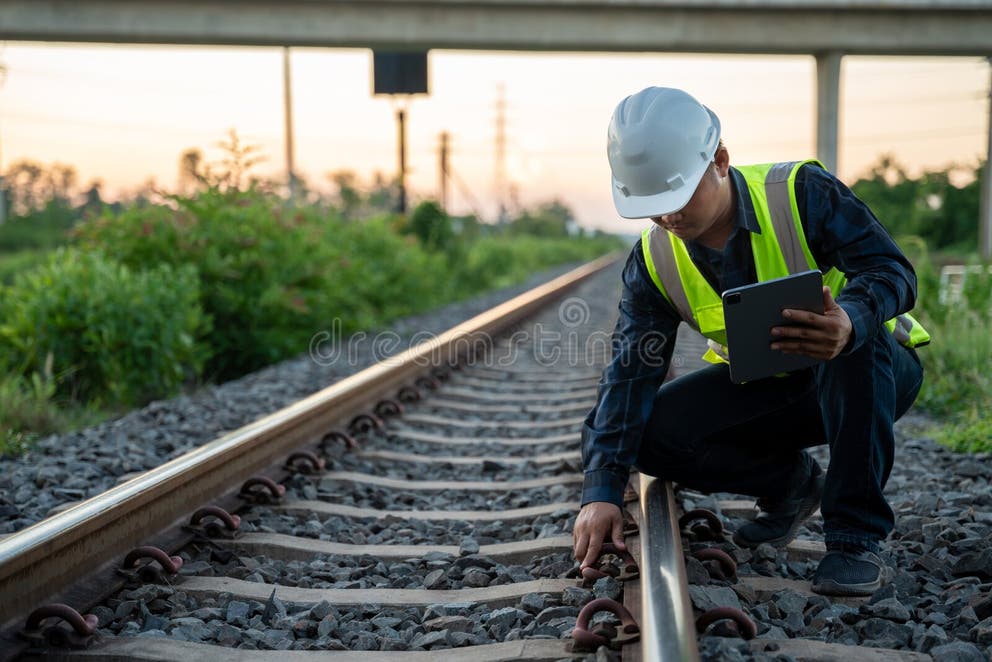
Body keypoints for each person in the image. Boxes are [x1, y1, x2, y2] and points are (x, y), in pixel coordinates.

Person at [572, 86, 928, 597]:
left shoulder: (801, 191)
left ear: (720, 159)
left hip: (874, 374)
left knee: (855, 345)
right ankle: (794, 485)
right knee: (649, 436)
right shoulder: (652, 260)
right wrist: (601, 488)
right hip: (776, 389)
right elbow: (630, 373)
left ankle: (854, 539)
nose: (669, 218)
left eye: (677, 197)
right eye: (652, 207)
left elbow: (891, 269)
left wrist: (850, 319)